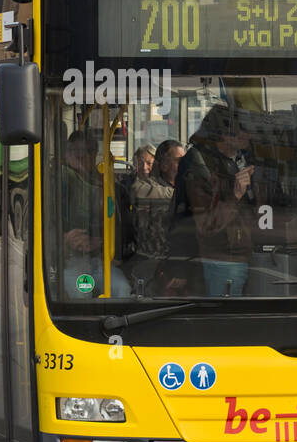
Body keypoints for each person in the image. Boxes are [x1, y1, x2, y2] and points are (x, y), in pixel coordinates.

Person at [169, 107, 257, 297]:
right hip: (217, 256)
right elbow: (201, 220)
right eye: (242, 128)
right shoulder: (199, 163)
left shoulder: (236, 159)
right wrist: (236, 195)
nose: (249, 133)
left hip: (235, 253)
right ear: (224, 135)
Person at [61, 130, 130, 299]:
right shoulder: (58, 182)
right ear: (67, 155)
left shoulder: (109, 187)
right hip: (69, 260)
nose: (81, 156)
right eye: (75, 151)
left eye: (87, 151)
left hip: (100, 259)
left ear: (94, 155)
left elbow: (123, 229)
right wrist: (65, 239)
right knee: (81, 294)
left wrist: (105, 244)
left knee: (122, 289)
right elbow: (46, 224)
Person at [128, 139, 185, 292]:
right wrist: (181, 195)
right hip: (151, 262)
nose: (186, 165)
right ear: (164, 166)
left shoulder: (187, 185)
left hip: (182, 264)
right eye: (180, 161)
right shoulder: (147, 186)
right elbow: (137, 192)